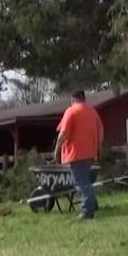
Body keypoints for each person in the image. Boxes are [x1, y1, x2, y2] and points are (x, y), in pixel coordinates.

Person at [54, 88, 104, 220]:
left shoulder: (71, 111)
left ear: (72, 99)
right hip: (90, 153)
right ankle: (93, 205)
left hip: (76, 153)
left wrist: (56, 151)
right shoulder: (93, 112)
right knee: (85, 181)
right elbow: (101, 133)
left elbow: (63, 134)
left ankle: (88, 211)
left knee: (81, 183)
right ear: (84, 98)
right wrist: (97, 149)